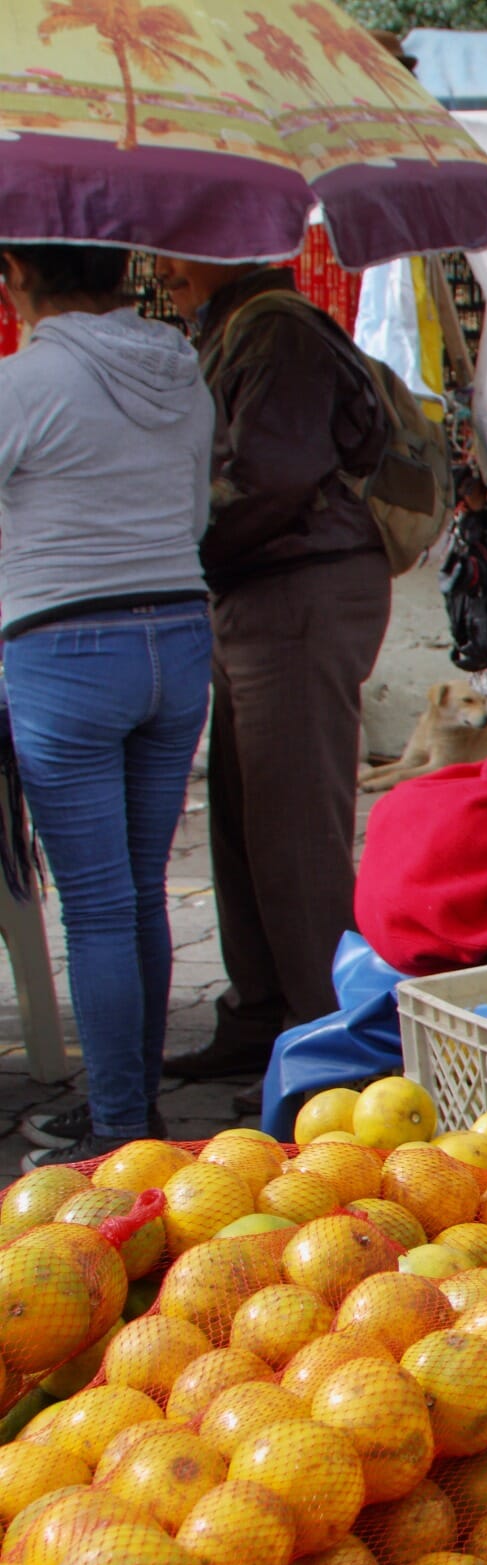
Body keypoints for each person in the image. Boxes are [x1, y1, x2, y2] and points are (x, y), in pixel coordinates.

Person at [151, 256, 394, 1110]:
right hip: (259, 588)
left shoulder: (276, 327)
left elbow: (272, 476)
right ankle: (260, 1010)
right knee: (244, 815)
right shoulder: (235, 327)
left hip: (298, 589)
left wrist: (171, 537)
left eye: (179, 250)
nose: (165, 269)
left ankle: (332, 1036)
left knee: (292, 828)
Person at [0, 244, 214, 1158]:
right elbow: (196, 513)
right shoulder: (181, 371)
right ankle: (141, 1107)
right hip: (178, 634)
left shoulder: (25, 381)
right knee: (142, 891)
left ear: (15, 272)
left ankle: (121, 1127)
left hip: (65, 649)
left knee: (95, 904)